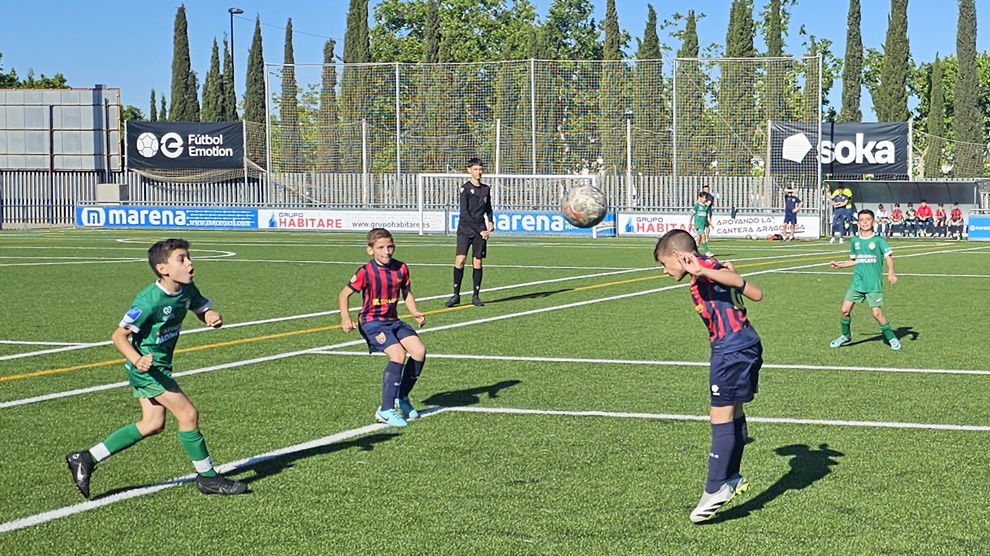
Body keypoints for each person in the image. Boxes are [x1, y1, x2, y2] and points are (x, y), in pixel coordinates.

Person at [65, 239, 247, 499]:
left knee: (152, 424)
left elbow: (199, 306)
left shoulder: (186, 288)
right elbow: (118, 336)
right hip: (147, 368)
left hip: (159, 366)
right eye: (181, 259)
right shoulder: (148, 300)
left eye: (188, 257)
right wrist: (137, 359)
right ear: (163, 269)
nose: (190, 263)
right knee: (188, 414)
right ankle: (208, 478)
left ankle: (86, 458)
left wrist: (209, 315)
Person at [653, 230, 764, 523]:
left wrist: (706, 271)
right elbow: (751, 293)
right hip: (740, 344)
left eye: (665, 264)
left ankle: (715, 488)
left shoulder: (705, 269)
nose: (665, 271)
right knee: (734, 411)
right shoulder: (709, 266)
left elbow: (754, 292)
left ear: (678, 255)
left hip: (733, 349)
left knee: (720, 416)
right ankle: (732, 476)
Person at [340, 228, 427, 427]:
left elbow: (407, 292)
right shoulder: (365, 272)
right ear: (370, 250)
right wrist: (346, 318)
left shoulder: (402, 268)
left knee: (419, 351)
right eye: (380, 247)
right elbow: (343, 295)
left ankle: (401, 397)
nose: (386, 251)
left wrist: (414, 311)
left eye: (390, 246)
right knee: (397, 354)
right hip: (371, 322)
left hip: (392, 321)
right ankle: (385, 410)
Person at [828, 210, 900, 351]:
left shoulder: (879, 241)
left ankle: (891, 337)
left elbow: (889, 258)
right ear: (858, 222)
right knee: (844, 311)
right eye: (862, 219)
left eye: (868, 219)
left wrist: (891, 273)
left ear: (873, 222)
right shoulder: (855, 241)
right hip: (857, 283)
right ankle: (845, 336)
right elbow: (854, 260)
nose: (865, 222)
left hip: (873, 284)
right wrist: (840, 265)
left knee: (877, 314)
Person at [445, 157, 494, 307]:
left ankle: (476, 295)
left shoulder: (486, 189)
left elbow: (488, 209)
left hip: (480, 231)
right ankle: (456, 295)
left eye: (480, 169)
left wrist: (491, 222)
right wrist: (481, 230)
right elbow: (464, 213)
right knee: (460, 260)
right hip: (466, 229)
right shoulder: (465, 189)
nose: (479, 172)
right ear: (469, 170)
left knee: (477, 261)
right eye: (475, 169)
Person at [690, 192, 713, 256]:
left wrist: (711, 224)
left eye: (706, 198)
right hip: (698, 224)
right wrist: (690, 223)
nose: (705, 199)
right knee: (703, 236)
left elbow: (708, 217)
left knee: (698, 238)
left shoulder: (706, 207)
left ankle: (693, 251)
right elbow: (692, 214)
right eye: (704, 198)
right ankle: (707, 251)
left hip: (702, 225)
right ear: (700, 198)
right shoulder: (697, 205)